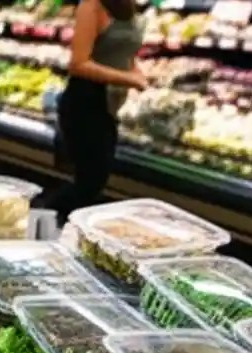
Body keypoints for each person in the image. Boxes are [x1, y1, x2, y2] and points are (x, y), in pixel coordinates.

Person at [47, 0, 146, 222]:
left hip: (109, 106)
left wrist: (136, 71)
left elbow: (125, 52)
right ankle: (40, 217)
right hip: (86, 102)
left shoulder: (128, 6)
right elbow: (78, 64)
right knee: (90, 182)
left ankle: (61, 227)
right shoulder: (91, 5)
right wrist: (128, 78)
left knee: (95, 178)